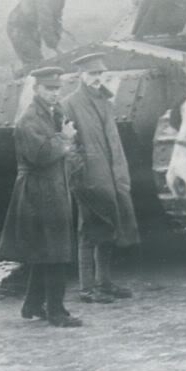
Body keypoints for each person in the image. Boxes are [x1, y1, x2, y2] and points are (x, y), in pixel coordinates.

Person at [0, 67, 82, 328]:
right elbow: (42, 155)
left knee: (45, 249)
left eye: (57, 89)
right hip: (39, 190)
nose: (55, 93)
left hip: (52, 187)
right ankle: (55, 311)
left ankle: (32, 304)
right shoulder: (30, 118)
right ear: (37, 89)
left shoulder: (53, 114)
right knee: (54, 250)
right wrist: (65, 139)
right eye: (49, 88)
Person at [61, 52, 140, 304]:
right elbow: (68, 143)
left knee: (108, 227)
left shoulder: (105, 101)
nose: (97, 78)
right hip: (89, 177)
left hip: (111, 174)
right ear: (81, 76)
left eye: (99, 74)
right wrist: (80, 173)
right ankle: (86, 288)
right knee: (88, 231)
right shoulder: (70, 103)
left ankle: (103, 282)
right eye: (92, 74)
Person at [6, 0, 79, 69]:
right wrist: (55, 46)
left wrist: (57, 39)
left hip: (31, 27)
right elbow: (45, 21)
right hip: (19, 27)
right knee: (35, 63)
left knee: (37, 61)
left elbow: (57, 18)